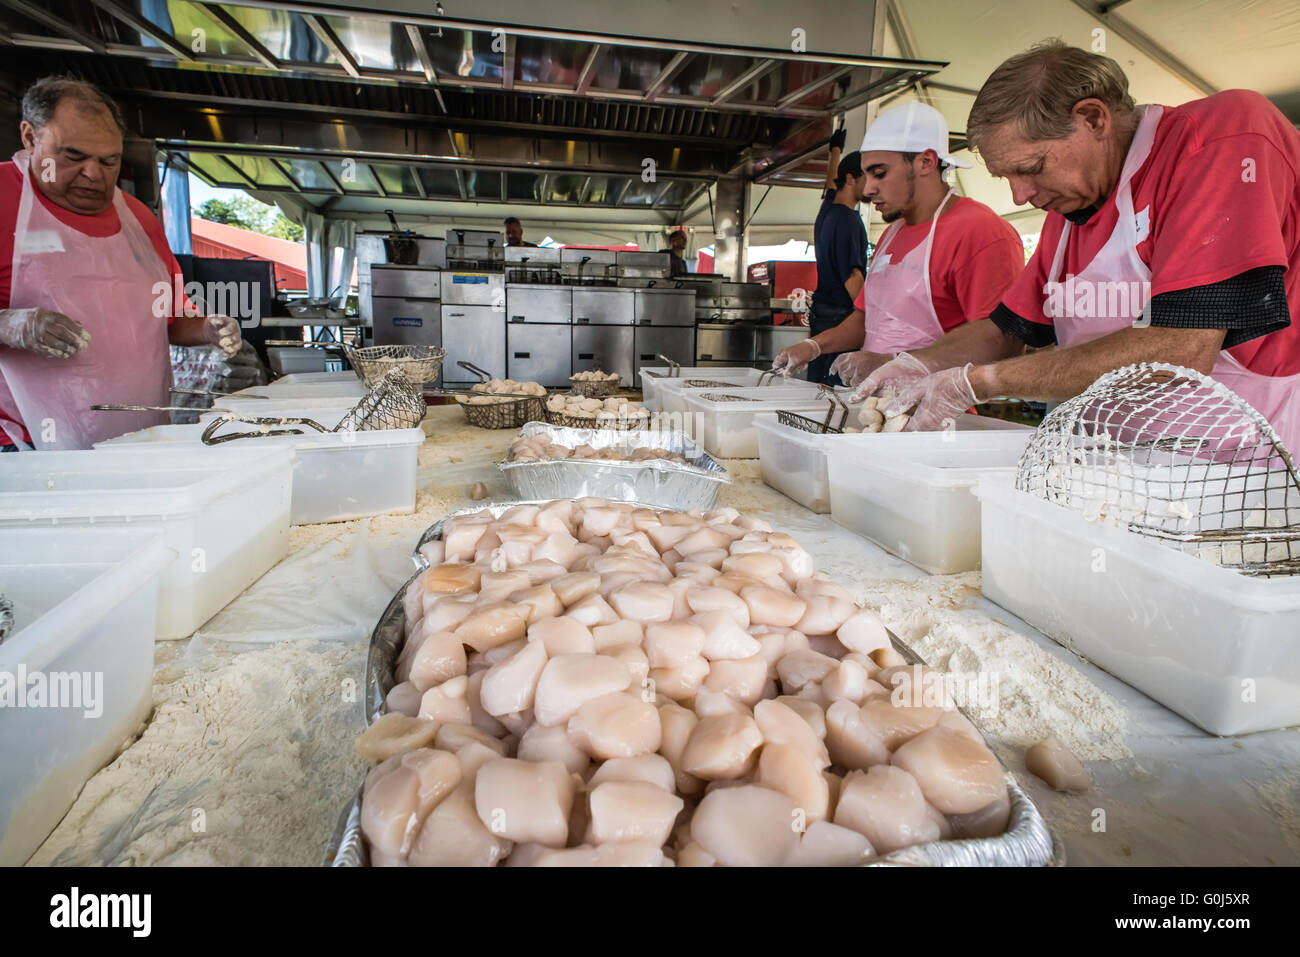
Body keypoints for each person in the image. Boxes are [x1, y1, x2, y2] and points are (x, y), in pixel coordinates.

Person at [856, 41, 1300, 449]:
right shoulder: (1067, 212)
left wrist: (980, 382)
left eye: (1030, 167)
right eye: (1005, 178)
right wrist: (919, 364)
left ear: (1093, 119)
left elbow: (1181, 348)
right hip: (1110, 468)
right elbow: (1005, 330)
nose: (1018, 195)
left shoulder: (1223, 137)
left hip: (1242, 466)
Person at [0, 77, 241, 450]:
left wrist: (209, 330)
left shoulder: (139, 221)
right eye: (73, 156)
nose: (94, 174)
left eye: (109, 160)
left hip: (139, 442)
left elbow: (173, 320)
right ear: (30, 137)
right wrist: (9, 325)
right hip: (22, 446)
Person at [771, 103, 1024, 388]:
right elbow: (866, 319)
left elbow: (1002, 340)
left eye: (879, 173)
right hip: (874, 410)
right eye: (866, 176)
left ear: (926, 162)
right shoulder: (892, 233)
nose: (867, 190)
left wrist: (899, 363)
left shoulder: (981, 232)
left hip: (938, 417)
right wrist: (813, 346)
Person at [797, 129, 869, 385]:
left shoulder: (827, 209)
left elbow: (830, 183)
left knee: (818, 387)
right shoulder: (849, 220)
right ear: (851, 179)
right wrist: (871, 320)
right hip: (841, 317)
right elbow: (853, 278)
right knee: (838, 391)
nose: (871, 186)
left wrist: (835, 150)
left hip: (821, 315)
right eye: (867, 177)